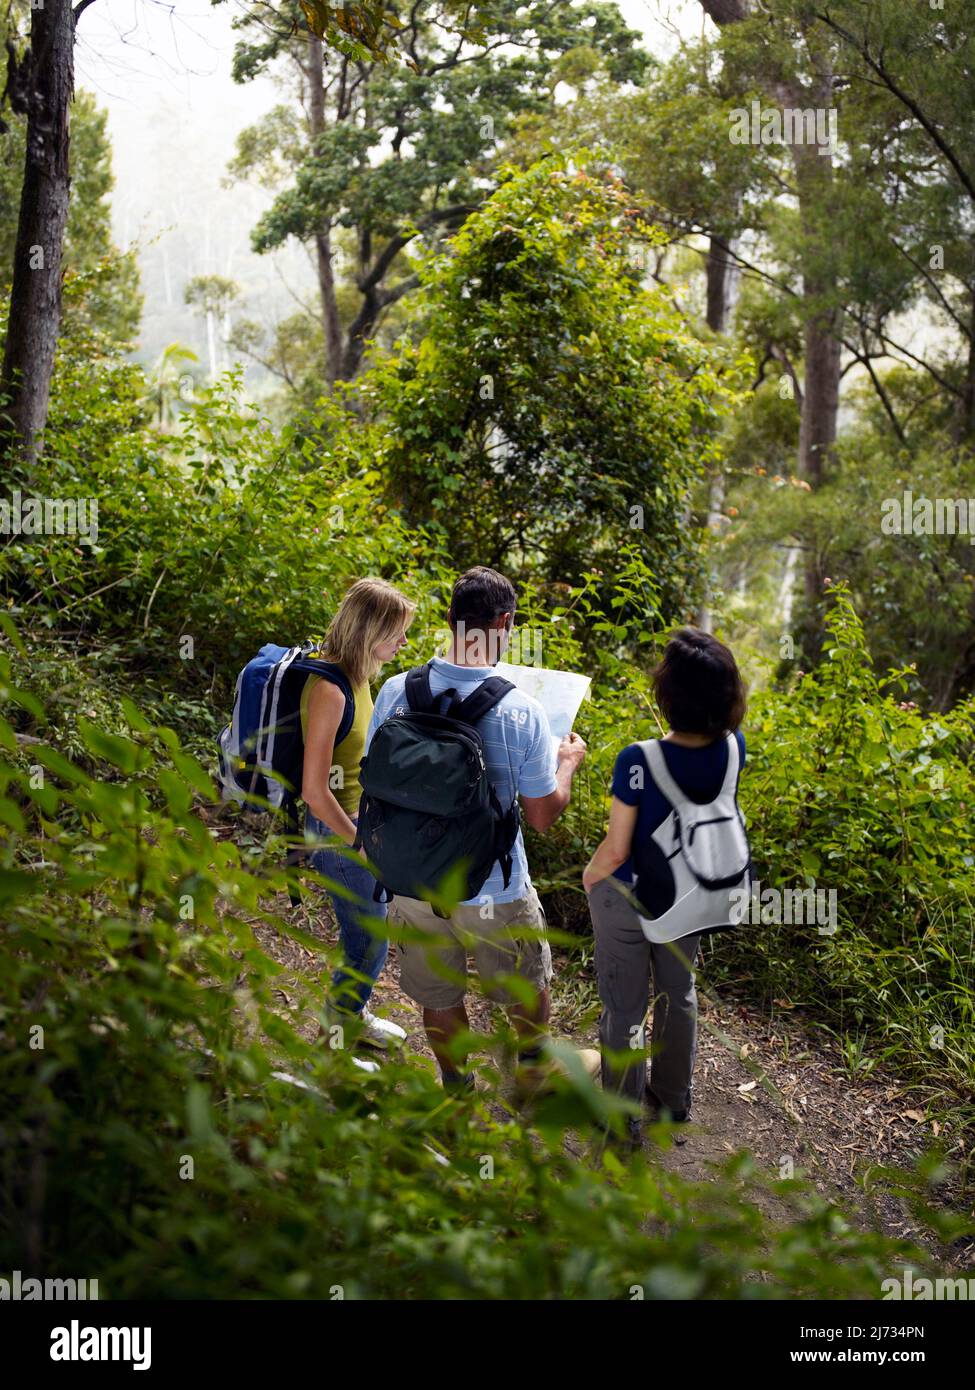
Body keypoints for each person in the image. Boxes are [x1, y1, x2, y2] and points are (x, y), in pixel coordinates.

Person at [365, 566, 587, 1090]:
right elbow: (541, 814)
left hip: (411, 877)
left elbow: (374, 780)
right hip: (494, 886)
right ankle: (532, 1075)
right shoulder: (523, 710)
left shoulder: (396, 690)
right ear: (505, 624)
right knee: (524, 986)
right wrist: (568, 762)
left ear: (449, 619)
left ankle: (456, 1089)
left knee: (440, 996)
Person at [583, 628, 747, 1146]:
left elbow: (616, 848)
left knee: (625, 1006)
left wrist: (589, 878)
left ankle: (621, 1118)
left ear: (668, 695)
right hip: (692, 895)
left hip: (632, 896)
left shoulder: (638, 759)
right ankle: (674, 1101)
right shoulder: (734, 748)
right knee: (679, 992)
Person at [301, 577, 416, 1050]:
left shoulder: (360, 675)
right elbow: (313, 789)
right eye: (398, 632)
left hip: (355, 824)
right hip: (335, 834)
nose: (405, 642)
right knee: (369, 942)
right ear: (370, 630)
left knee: (365, 934)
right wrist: (357, 843)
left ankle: (350, 1017)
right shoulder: (330, 689)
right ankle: (338, 1037)